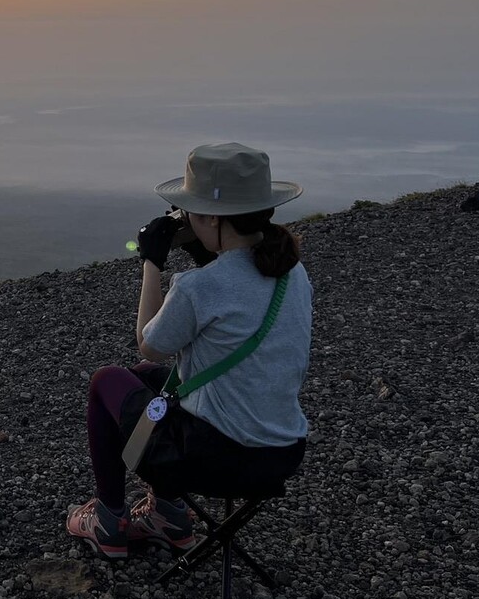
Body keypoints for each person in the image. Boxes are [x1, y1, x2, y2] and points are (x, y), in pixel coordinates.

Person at [66, 142, 313, 559]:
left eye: (191, 211)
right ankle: (168, 515)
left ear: (213, 216)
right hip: (281, 453)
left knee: (108, 380)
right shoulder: (293, 272)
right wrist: (202, 244)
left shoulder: (198, 287)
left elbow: (150, 343)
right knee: (146, 379)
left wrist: (152, 261)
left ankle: (108, 518)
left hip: (216, 459)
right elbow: (233, 294)